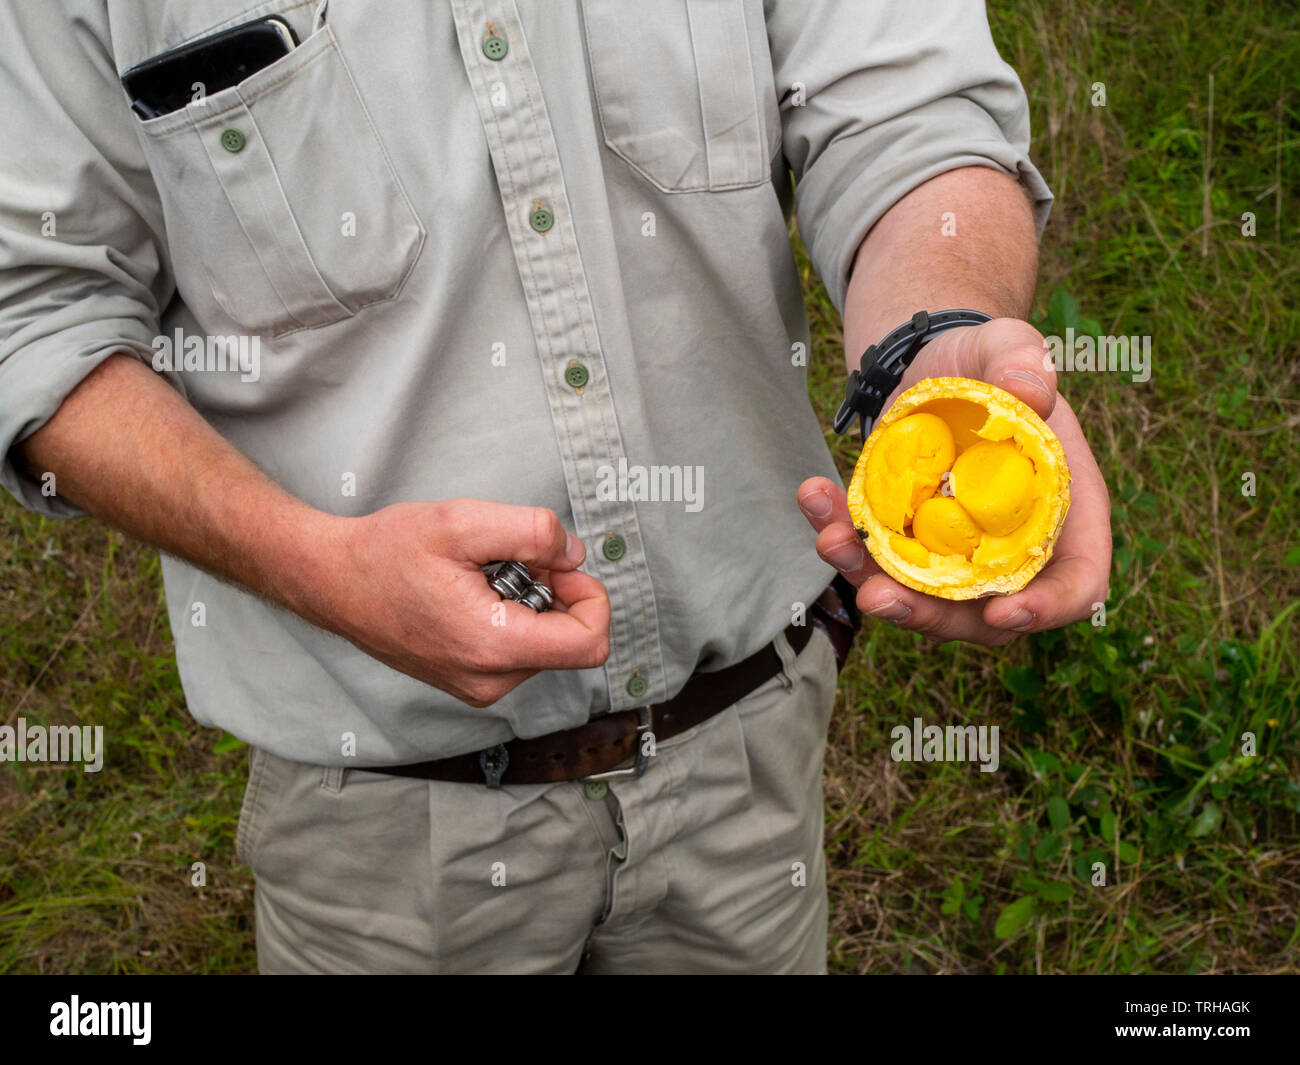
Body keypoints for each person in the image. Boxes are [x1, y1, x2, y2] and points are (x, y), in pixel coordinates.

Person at [0, 0, 1110, 973]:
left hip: (750, 749)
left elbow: (906, 112)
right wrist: (314, 567)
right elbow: (36, 313)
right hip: (383, 830)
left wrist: (936, 337)